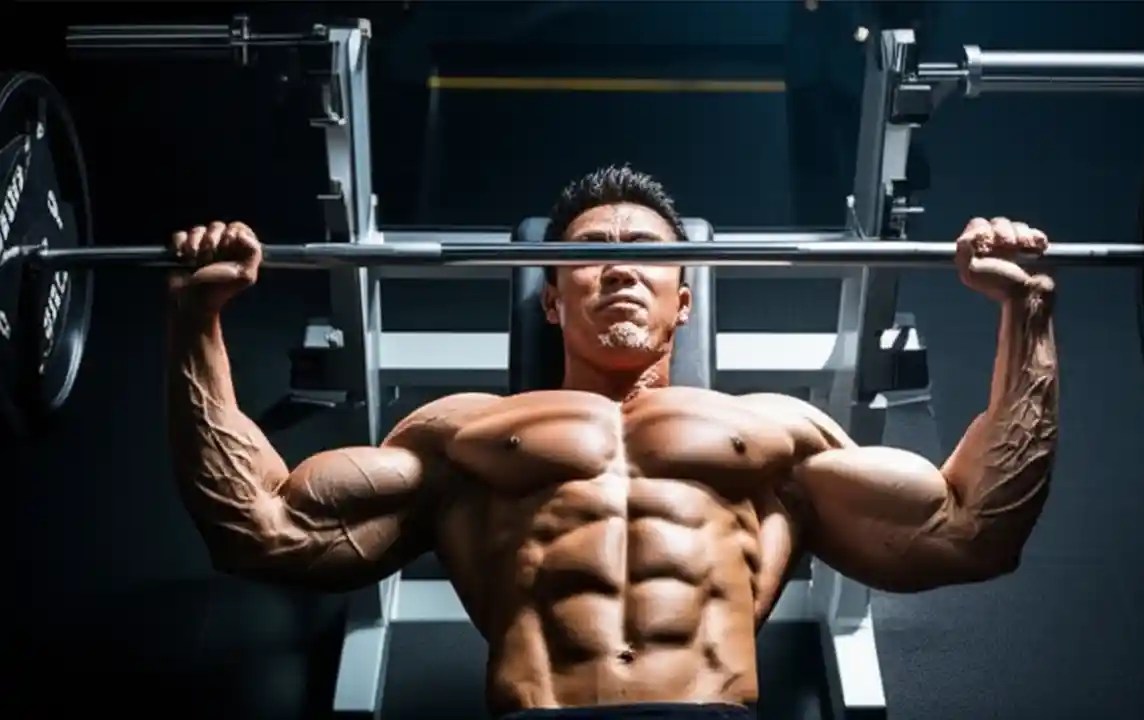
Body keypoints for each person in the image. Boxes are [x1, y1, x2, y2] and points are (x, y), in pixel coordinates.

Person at [166, 165, 1058, 720]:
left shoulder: (777, 436)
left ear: (687, 295)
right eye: (590, 251)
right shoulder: (462, 436)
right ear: (549, 297)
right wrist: (195, 319)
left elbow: (973, 530)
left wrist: (1027, 313)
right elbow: (261, 529)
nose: (622, 265)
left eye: (648, 252)